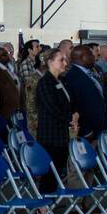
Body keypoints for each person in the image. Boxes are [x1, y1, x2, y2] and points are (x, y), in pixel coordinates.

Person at [34, 46, 79, 193]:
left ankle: (50, 202)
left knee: (57, 170)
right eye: (61, 60)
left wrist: (75, 113)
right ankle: (43, 209)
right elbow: (52, 107)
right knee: (49, 173)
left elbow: (72, 102)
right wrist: (69, 119)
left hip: (63, 133)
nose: (65, 63)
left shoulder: (63, 81)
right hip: (50, 135)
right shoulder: (45, 83)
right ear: (50, 62)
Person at [63, 47, 107, 141]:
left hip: (99, 125)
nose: (95, 56)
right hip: (88, 130)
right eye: (90, 54)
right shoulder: (73, 77)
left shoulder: (90, 72)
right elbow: (76, 106)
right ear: (83, 57)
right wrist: (85, 130)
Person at [0, 46, 21, 120]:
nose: (6, 56)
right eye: (2, 55)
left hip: (15, 103)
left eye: (6, 54)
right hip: (5, 104)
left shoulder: (10, 66)